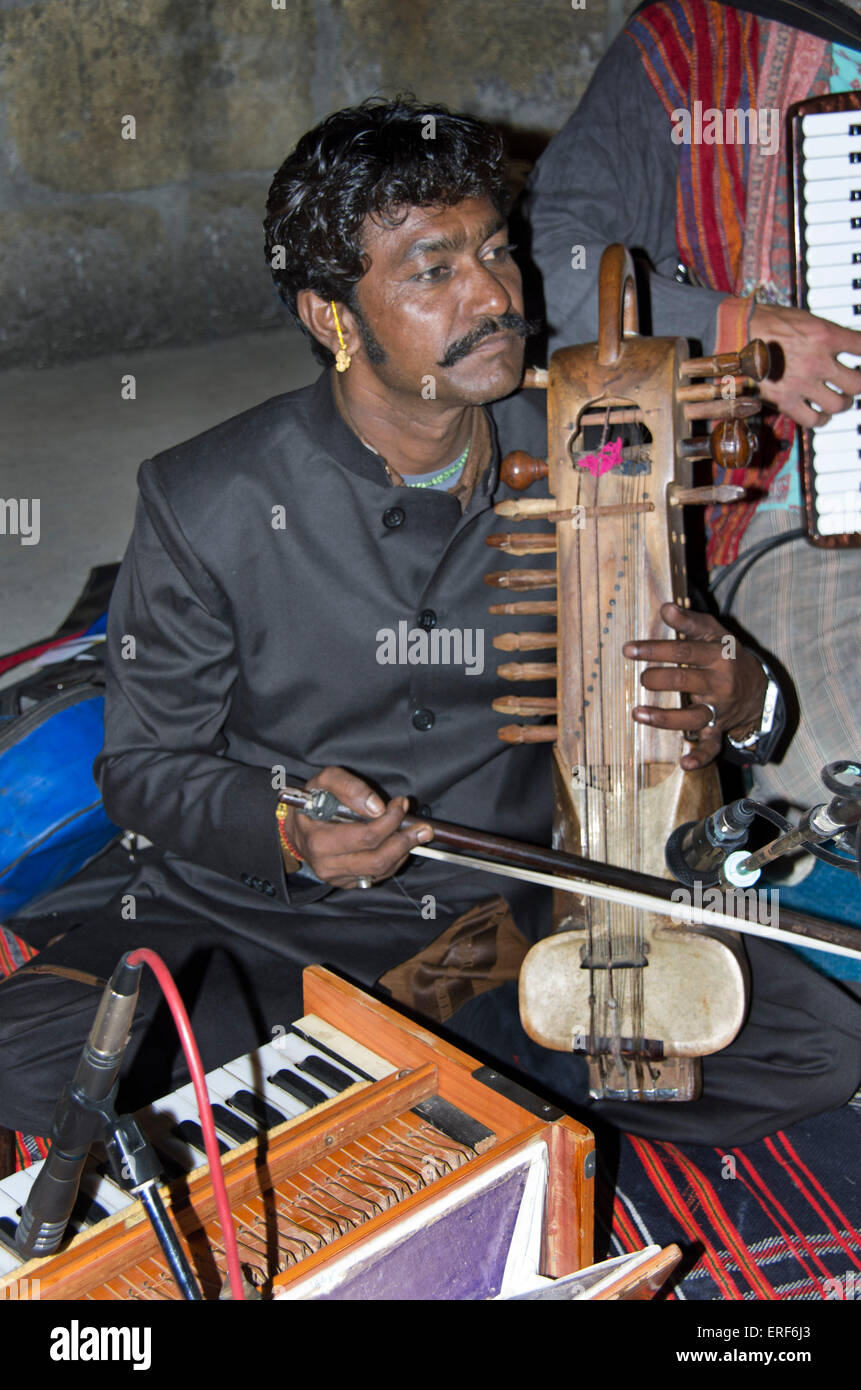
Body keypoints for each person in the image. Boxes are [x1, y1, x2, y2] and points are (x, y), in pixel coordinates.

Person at [0, 98, 857, 1152]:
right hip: (264, 927)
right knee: (35, 1052)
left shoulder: (590, 435)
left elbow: (708, 662)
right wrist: (288, 828)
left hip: (517, 921)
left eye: (496, 251)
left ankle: (402, 1109)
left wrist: (743, 693)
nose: (494, 296)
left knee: (814, 1047)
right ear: (334, 319)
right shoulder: (208, 497)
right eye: (430, 270)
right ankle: (444, 1109)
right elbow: (143, 769)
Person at [524, 0, 861, 818]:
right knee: (841, 777)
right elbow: (548, 268)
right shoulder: (694, 42)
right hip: (809, 524)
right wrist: (736, 329)